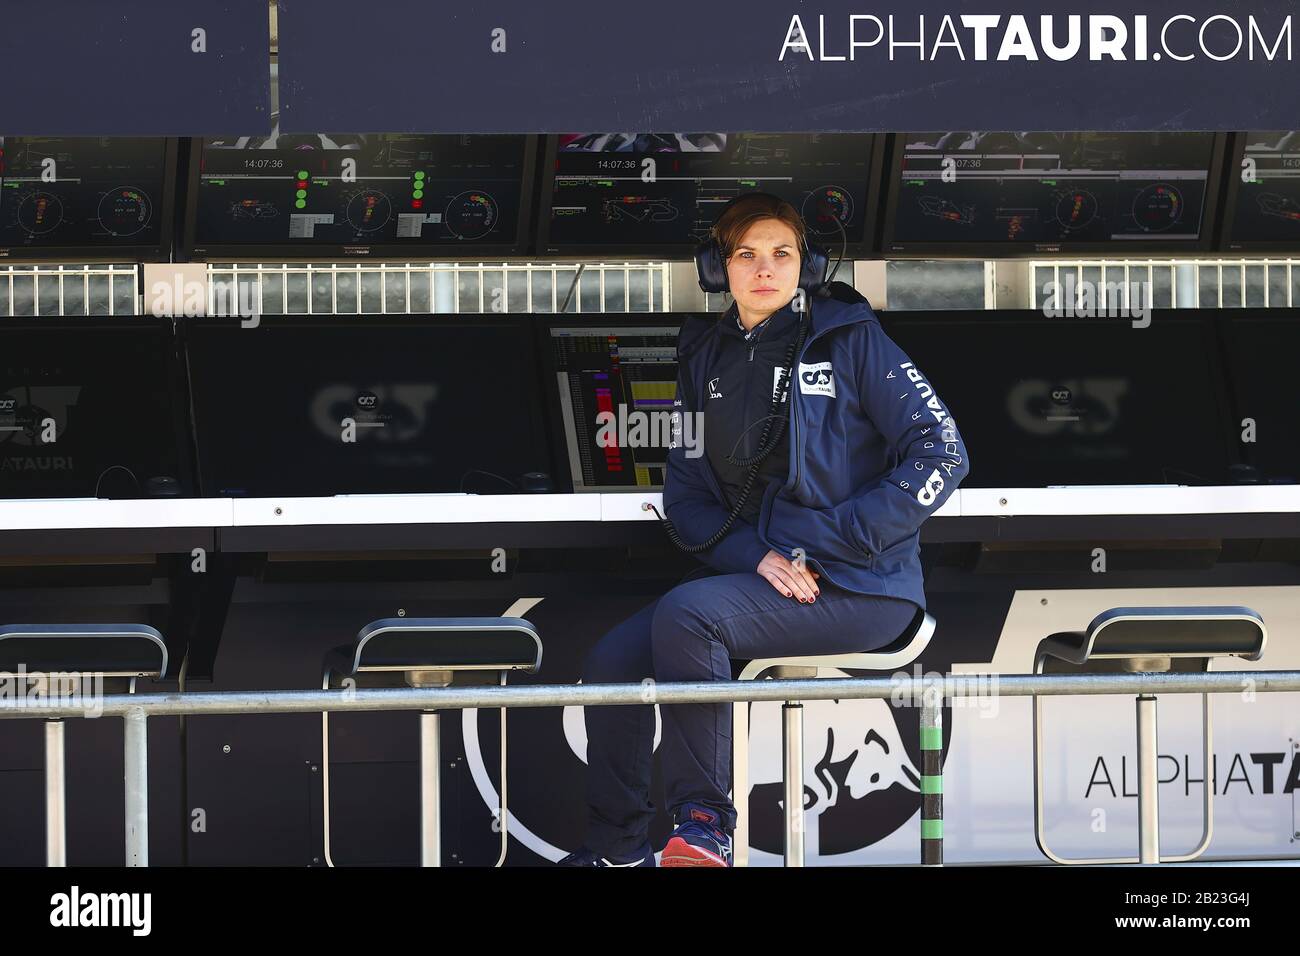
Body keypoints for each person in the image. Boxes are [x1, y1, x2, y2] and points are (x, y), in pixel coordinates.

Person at [560, 193, 970, 867]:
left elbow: (942, 450)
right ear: (718, 268)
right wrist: (759, 555)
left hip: (863, 584)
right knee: (612, 662)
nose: (764, 269)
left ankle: (703, 827)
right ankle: (618, 847)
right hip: (763, 580)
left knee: (690, 616)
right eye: (746, 254)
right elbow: (686, 496)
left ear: (805, 265)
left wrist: (831, 542)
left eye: (782, 253)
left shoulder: (851, 337)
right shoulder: (703, 356)